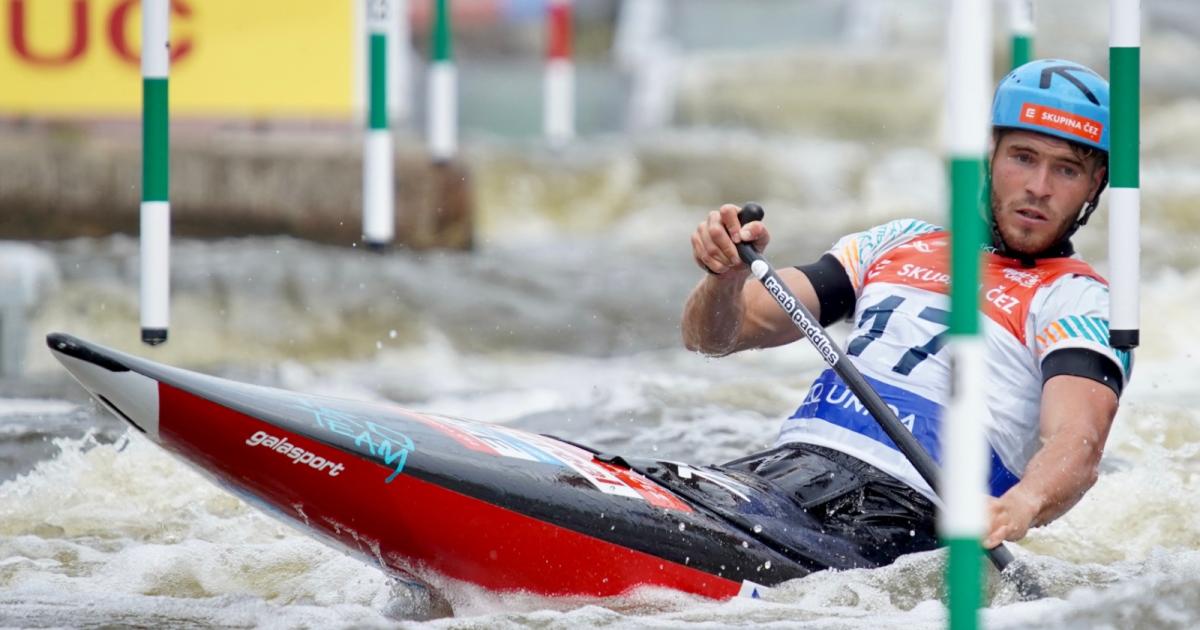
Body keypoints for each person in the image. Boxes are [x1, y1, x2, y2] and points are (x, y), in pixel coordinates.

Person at [681, 59, 1132, 569]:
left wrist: (1018, 507)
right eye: (1022, 158)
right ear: (989, 156)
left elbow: (1079, 440)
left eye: (1066, 170)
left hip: (904, 509)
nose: (1039, 186)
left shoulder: (1080, 299)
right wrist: (725, 278)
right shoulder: (897, 241)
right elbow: (718, 335)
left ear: (1095, 184)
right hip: (782, 471)